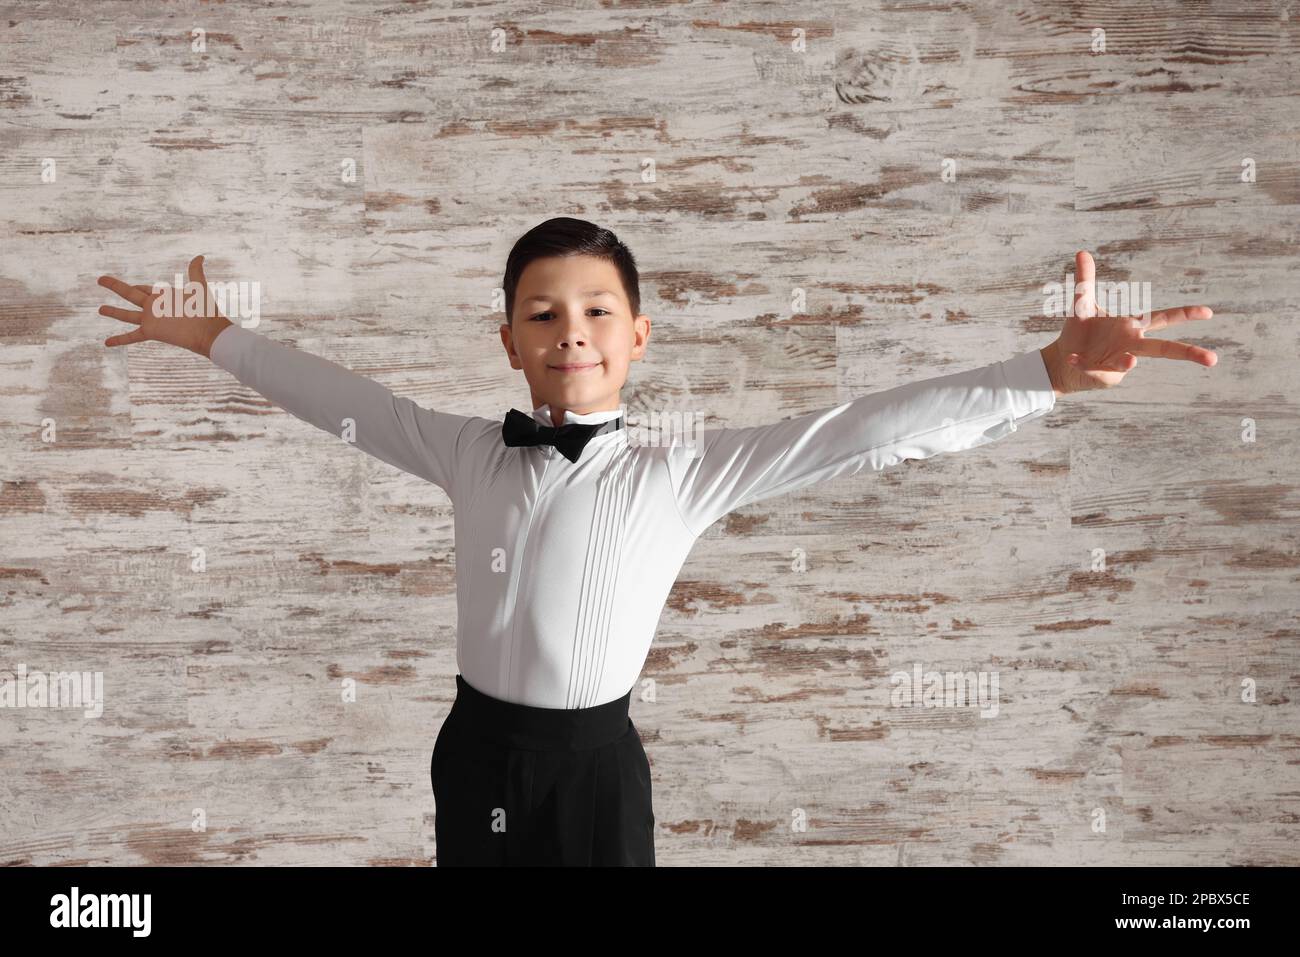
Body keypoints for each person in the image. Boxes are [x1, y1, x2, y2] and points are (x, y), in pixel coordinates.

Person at [96, 219, 1218, 866]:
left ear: (637, 335)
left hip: (596, 766)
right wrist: (215, 336)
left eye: (593, 312)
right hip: (477, 751)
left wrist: (1041, 374)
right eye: (540, 314)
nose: (568, 331)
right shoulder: (461, 450)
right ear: (507, 342)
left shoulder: (685, 470)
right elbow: (336, 397)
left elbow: (865, 430)